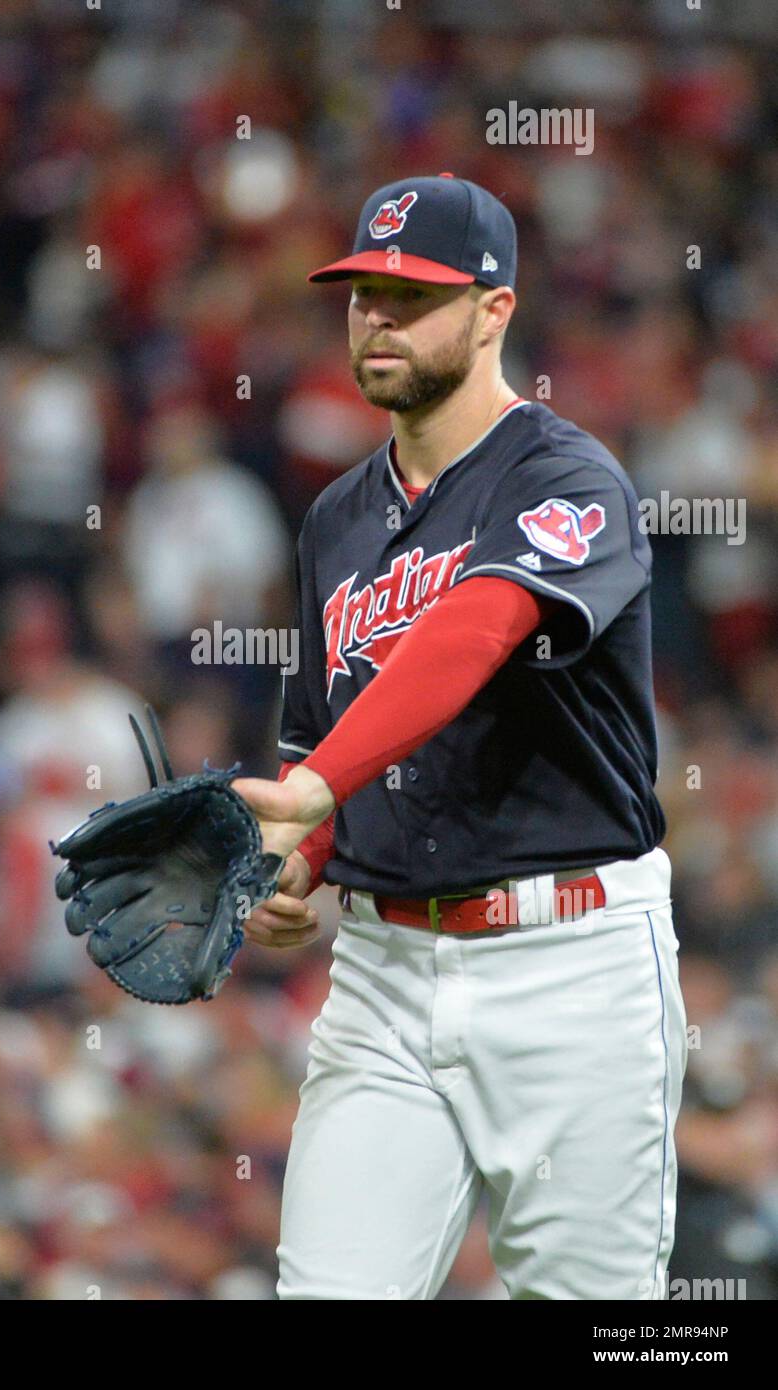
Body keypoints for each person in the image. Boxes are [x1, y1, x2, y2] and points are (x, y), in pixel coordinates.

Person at [233, 173, 688, 1301]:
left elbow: (472, 632)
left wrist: (316, 786)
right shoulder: (336, 518)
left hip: (571, 966)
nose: (376, 318)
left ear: (494, 311)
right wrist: (300, 860)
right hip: (385, 972)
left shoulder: (567, 478)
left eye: (410, 295)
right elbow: (318, 737)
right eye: (361, 295)